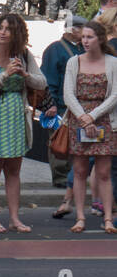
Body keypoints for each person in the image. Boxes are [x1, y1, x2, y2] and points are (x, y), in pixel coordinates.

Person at [0, 12, 47, 233]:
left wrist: (25, 75)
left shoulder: (23, 54)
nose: (3, 32)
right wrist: (5, 75)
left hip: (16, 116)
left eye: (8, 29)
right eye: (1, 28)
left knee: (14, 170)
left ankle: (15, 218)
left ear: (17, 34)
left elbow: (41, 82)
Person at [61, 19, 117, 234]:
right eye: (83, 37)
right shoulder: (74, 62)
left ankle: (109, 218)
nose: (85, 41)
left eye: (89, 37)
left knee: (103, 172)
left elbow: (114, 95)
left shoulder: (112, 62)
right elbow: (68, 94)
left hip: (104, 119)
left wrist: (92, 116)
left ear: (100, 39)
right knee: (80, 170)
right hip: (79, 119)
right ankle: (80, 217)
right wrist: (84, 118)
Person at [43, 16, 87, 204]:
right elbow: (48, 79)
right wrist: (50, 104)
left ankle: (72, 175)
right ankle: (60, 176)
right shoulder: (55, 50)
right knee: (59, 141)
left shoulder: (81, 49)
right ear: (72, 30)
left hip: (78, 105)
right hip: (60, 105)